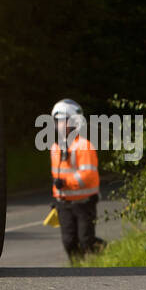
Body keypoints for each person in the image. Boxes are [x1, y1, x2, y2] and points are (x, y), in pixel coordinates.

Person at [49, 98, 100, 263]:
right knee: (69, 241)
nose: (60, 125)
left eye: (64, 121)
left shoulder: (84, 146)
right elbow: (56, 175)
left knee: (86, 240)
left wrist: (65, 182)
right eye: (57, 121)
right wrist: (57, 194)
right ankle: (77, 269)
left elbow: (88, 175)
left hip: (84, 203)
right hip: (64, 203)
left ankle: (104, 253)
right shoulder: (55, 148)